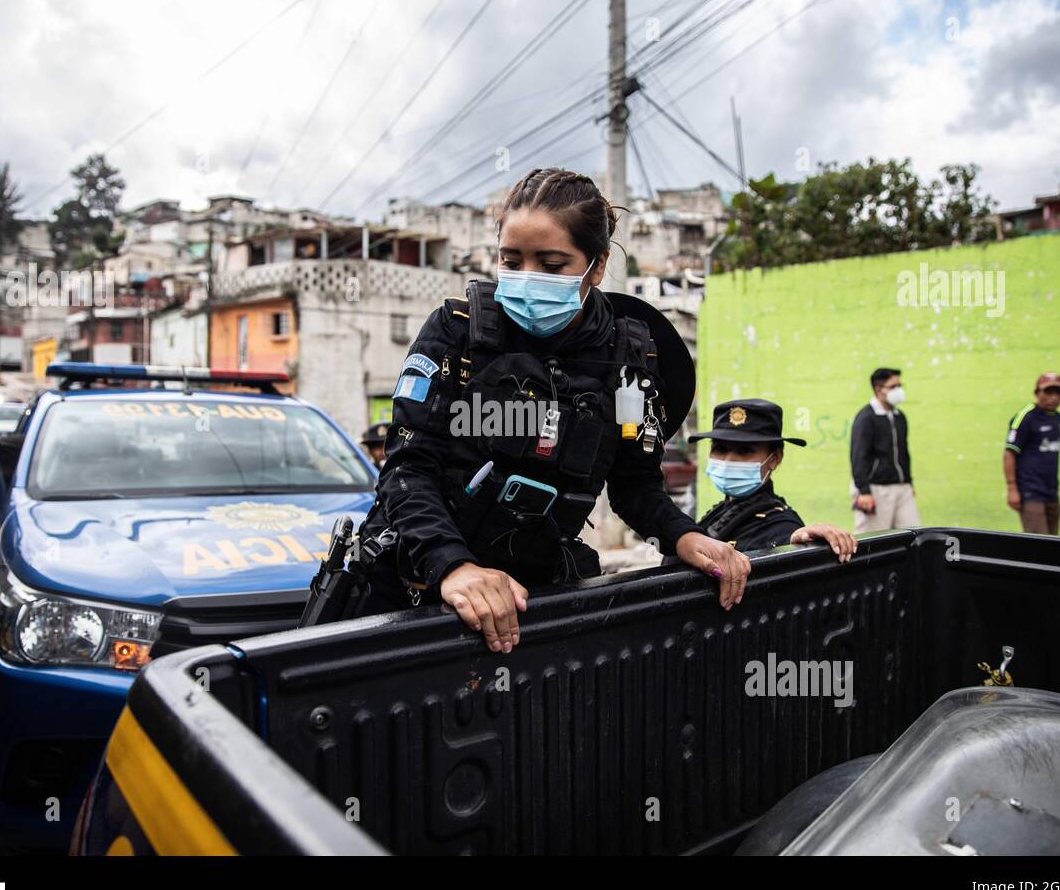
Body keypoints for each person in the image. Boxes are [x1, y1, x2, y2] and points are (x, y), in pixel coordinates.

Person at [349, 168, 751, 653]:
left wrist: (684, 536)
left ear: (597, 266)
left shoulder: (630, 357)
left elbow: (635, 486)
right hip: (415, 590)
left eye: (552, 264)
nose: (526, 278)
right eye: (511, 261)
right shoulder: (457, 333)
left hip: (534, 602)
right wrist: (454, 565)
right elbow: (407, 469)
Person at [692, 399, 856, 560]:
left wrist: (796, 541)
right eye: (720, 449)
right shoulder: (722, 510)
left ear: (775, 458)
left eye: (745, 451)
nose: (728, 460)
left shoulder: (780, 524)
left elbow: (784, 541)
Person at [850, 367, 920, 532]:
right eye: (893, 386)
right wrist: (864, 491)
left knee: (913, 535)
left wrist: (908, 482)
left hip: (902, 489)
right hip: (876, 489)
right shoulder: (866, 418)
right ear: (878, 389)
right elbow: (858, 456)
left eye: (900, 386)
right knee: (874, 540)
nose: (899, 390)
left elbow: (904, 452)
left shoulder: (900, 417)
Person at [1004, 372, 1060, 535]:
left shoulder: (1058, 418)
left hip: (1052, 492)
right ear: (1037, 393)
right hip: (1030, 492)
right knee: (1038, 543)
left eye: (1058, 392)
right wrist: (1012, 488)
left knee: (1055, 542)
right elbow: (1009, 453)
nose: (1054, 397)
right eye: (1048, 392)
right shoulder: (1026, 417)